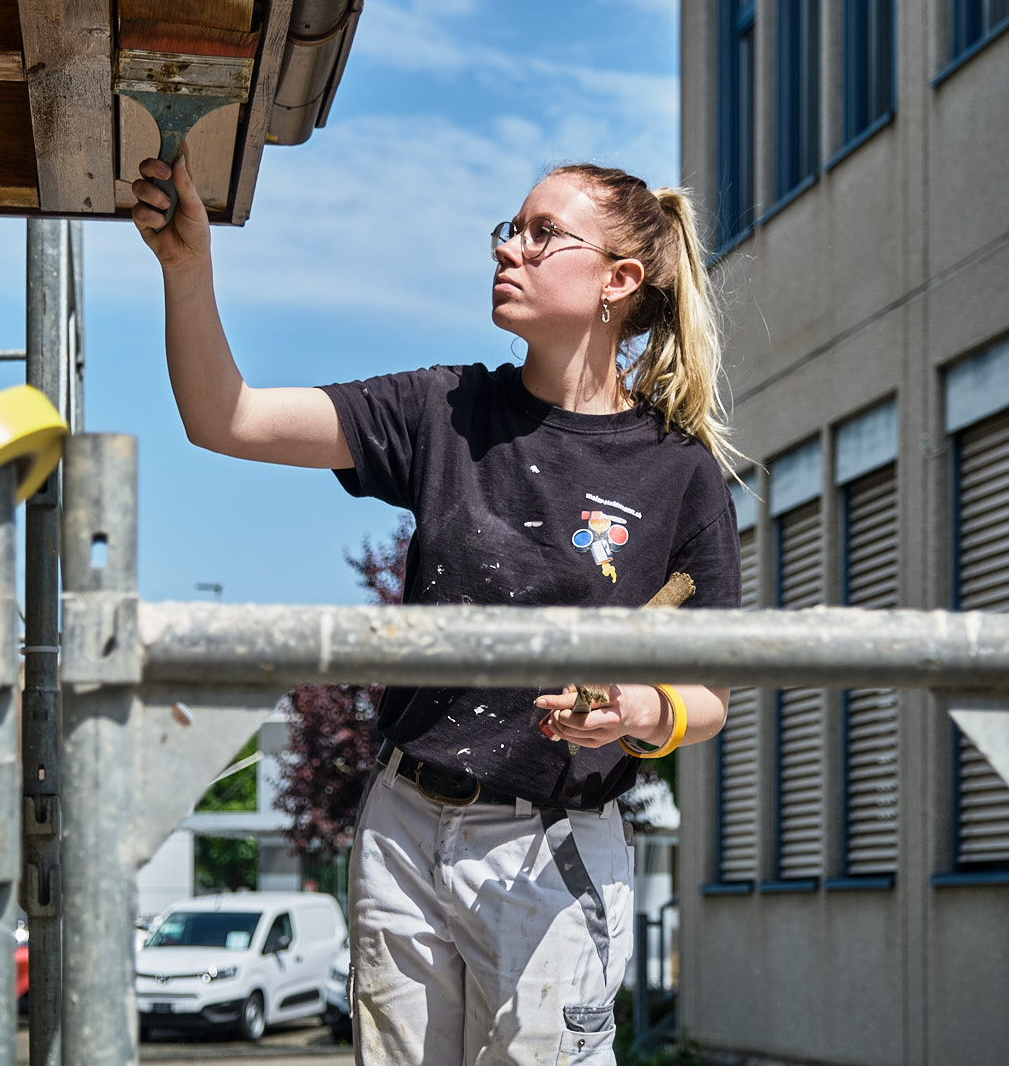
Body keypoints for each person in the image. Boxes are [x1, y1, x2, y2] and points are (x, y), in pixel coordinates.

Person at [131, 153, 740, 1065]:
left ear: (619, 280)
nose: (509, 249)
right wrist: (187, 266)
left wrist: (641, 711)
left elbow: (713, 694)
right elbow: (228, 417)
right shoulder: (443, 409)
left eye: (543, 234)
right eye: (510, 228)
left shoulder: (677, 471)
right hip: (405, 828)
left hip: (553, 843)